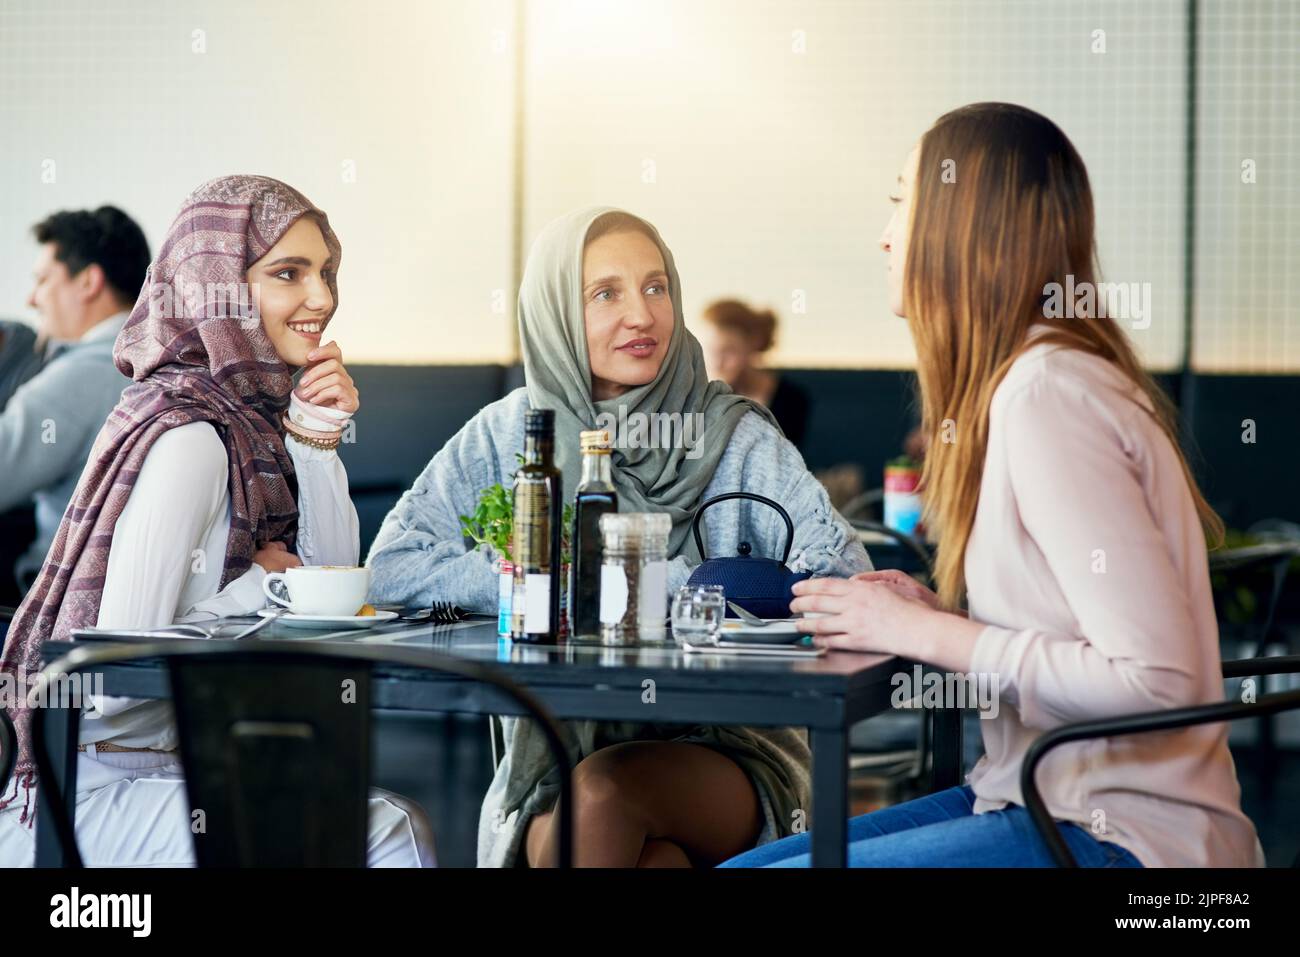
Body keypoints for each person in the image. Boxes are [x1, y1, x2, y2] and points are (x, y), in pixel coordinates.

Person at [722, 103, 1263, 868]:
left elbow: (1159, 681)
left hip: (1125, 842)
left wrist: (927, 634)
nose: (885, 235)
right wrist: (938, 617)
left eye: (900, 202)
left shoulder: (1047, 395)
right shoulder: (1034, 382)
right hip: (1038, 799)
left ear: (964, 219)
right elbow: (1074, 635)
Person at [367, 207, 870, 867]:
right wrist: (536, 581)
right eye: (606, 293)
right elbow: (392, 567)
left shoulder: (732, 432)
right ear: (554, 314)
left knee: (602, 798)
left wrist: (705, 594)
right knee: (638, 851)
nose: (643, 314)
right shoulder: (512, 430)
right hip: (555, 753)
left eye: (656, 286)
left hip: (732, 750)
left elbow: (843, 568)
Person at [0, 175, 424, 867]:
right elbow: (111, 679)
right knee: (387, 833)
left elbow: (331, 586)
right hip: (89, 785)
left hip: (178, 764)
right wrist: (262, 584)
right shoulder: (190, 437)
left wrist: (317, 440)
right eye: (289, 273)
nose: (322, 297)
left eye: (325, 272)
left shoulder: (253, 422)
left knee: (382, 822)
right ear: (216, 287)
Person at [0, 207, 150, 595]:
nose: (32, 298)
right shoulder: (164, 362)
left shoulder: (80, 375)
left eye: (43, 279)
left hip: (50, 610)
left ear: (88, 282)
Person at [696, 299, 811, 449]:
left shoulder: (791, 401)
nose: (717, 363)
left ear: (753, 344)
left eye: (728, 351)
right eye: (710, 351)